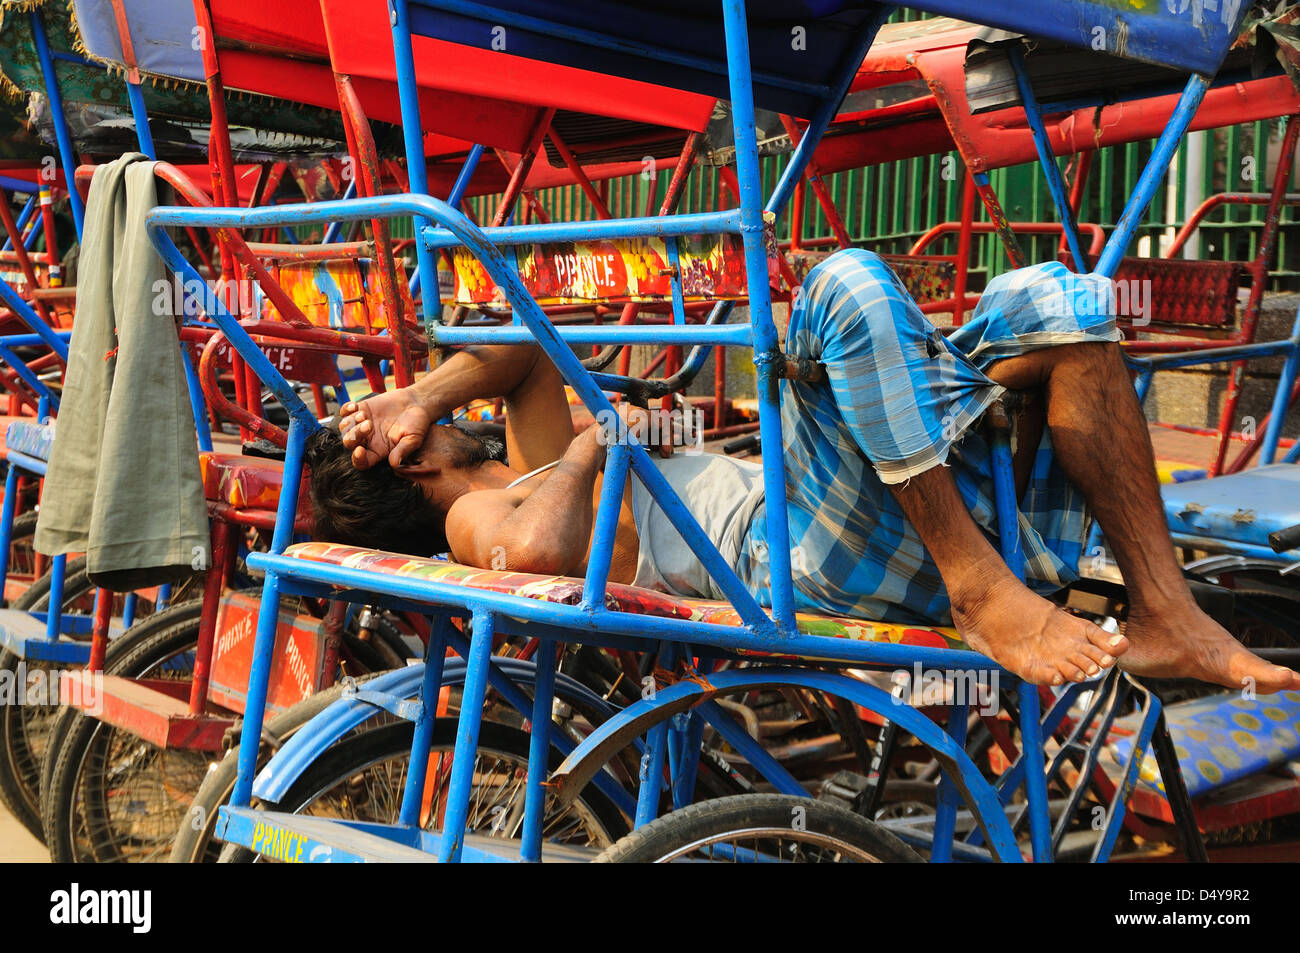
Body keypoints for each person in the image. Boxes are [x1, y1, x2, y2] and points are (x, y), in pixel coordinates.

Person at [319, 249, 1300, 694]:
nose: (441, 411)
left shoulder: (520, 458)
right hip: (802, 548)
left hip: (868, 510)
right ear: (411, 466)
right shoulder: (479, 512)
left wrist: (423, 396)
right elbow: (533, 544)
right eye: (416, 421)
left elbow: (522, 347)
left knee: (1064, 303)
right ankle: (979, 588)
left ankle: (1162, 609)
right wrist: (601, 438)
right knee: (837, 288)